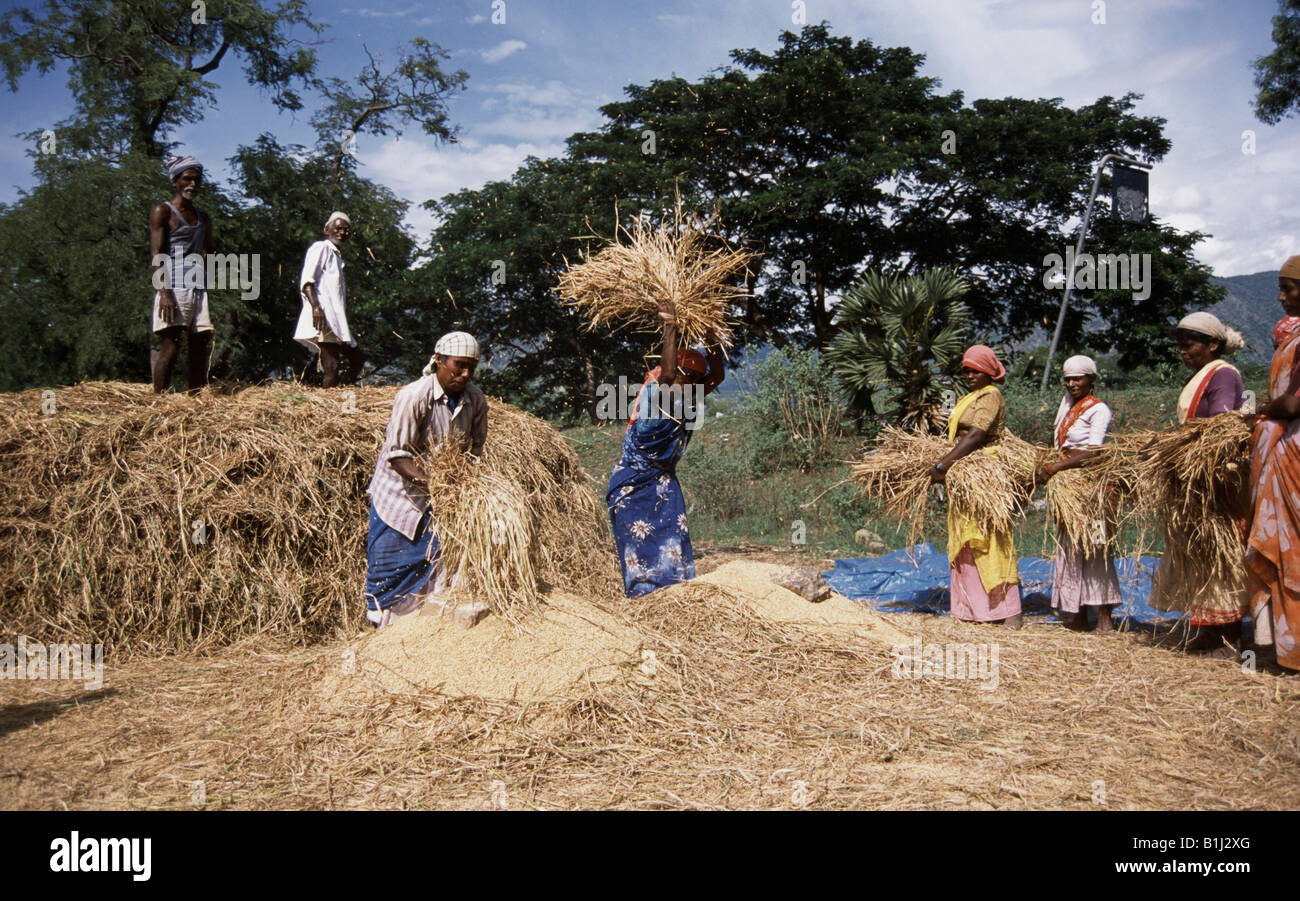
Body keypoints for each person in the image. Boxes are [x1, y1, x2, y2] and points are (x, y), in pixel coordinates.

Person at [363, 331, 488, 627]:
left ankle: (424, 630)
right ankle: (383, 627)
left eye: (472, 367)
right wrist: (435, 484)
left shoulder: (475, 400)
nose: (466, 373)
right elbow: (397, 455)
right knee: (391, 566)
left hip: (443, 498)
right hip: (401, 497)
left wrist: (465, 484)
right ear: (439, 361)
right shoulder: (414, 397)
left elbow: (476, 450)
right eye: (459, 365)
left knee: (438, 561)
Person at [607, 300, 724, 596]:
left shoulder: (688, 396)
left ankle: (676, 600)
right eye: (689, 377)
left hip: (664, 484)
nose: (694, 384)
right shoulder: (662, 394)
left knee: (675, 549)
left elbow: (718, 376)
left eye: (697, 379)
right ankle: (644, 604)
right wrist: (669, 324)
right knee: (640, 557)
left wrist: (711, 336)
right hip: (633, 486)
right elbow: (670, 374)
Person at [1155, 311, 1249, 655]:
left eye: (1189, 344)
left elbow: (1219, 426)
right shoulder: (1203, 374)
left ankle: (1230, 636)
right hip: (1195, 476)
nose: (1183, 351)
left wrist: (1174, 444)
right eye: (1180, 345)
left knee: (1220, 551)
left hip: (1215, 475)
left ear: (1213, 344)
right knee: (1198, 550)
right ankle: (1207, 631)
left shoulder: (1223, 374)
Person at [929, 345, 1022, 629]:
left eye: (976, 370)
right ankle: (975, 610)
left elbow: (977, 435)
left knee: (989, 537)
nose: (970, 375)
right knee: (966, 537)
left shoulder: (991, 396)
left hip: (983, 471)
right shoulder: (970, 397)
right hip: (966, 471)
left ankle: (1008, 611)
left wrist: (943, 465)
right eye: (966, 370)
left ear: (988, 372)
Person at [1037, 355, 1122, 632]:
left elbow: (1094, 451)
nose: (1072, 384)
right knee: (1072, 545)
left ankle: (1105, 617)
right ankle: (1079, 612)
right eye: (1068, 379)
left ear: (1092, 380)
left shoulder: (1098, 410)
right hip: (1071, 488)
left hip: (1092, 490)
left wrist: (1057, 466)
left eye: (1078, 379)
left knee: (1097, 545)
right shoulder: (1069, 409)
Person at [1246, 255, 1300, 673]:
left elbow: (1291, 402)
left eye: (1289, 288)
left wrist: (1266, 411)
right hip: (1287, 444)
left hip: (1294, 444)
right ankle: (1289, 650)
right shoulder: (1292, 338)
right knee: (1284, 549)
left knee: (1290, 549)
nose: (1281, 296)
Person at [150, 155, 214, 394]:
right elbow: (156, 254)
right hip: (173, 287)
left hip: (197, 288)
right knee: (171, 346)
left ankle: (195, 400)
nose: (193, 185)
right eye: (187, 179)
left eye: (197, 180)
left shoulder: (203, 218)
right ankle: (159, 402)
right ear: (174, 182)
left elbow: (207, 250)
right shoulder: (163, 212)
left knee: (199, 346)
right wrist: (163, 292)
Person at [295, 211, 365, 387]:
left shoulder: (336, 255)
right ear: (327, 229)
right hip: (323, 316)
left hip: (336, 319)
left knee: (358, 360)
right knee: (332, 366)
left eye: (346, 230)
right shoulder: (321, 248)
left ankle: (340, 392)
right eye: (338, 228)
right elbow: (307, 282)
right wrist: (316, 308)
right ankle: (328, 405)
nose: (342, 232)